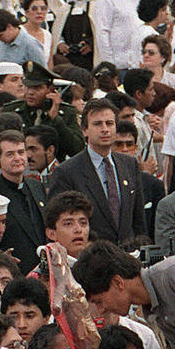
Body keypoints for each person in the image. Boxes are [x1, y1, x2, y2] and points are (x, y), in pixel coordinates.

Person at [46, 98, 146, 246]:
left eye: (109, 123)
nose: (105, 129)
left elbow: (138, 220)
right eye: (98, 124)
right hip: (90, 255)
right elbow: (58, 222)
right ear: (84, 130)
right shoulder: (66, 172)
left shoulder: (129, 164)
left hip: (128, 253)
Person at [0, 130, 47, 274]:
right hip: (14, 273)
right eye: (10, 154)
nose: (17, 158)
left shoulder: (37, 187)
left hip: (44, 272)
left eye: (21, 152)